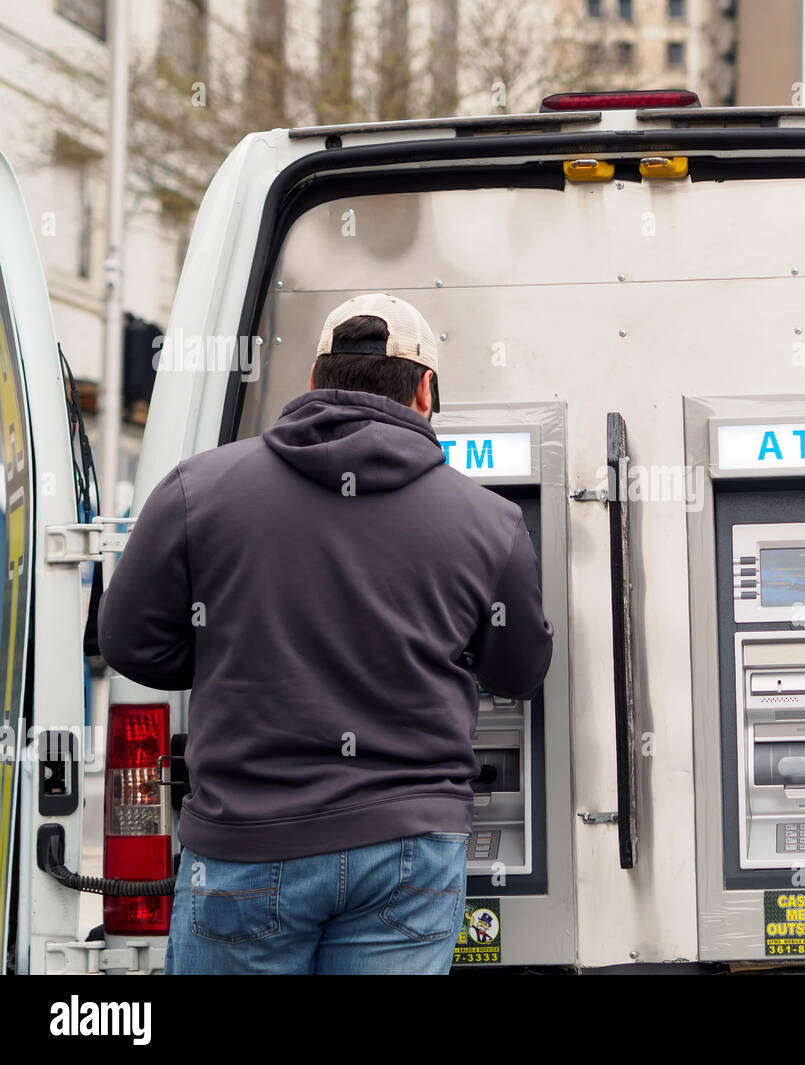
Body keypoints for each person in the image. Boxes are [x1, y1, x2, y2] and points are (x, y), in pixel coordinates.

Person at [98, 293, 553, 975]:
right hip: (407, 846)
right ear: (427, 390)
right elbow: (519, 670)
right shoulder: (488, 522)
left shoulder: (199, 490)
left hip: (244, 843)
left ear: (313, 381)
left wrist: (241, 651)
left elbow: (131, 641)